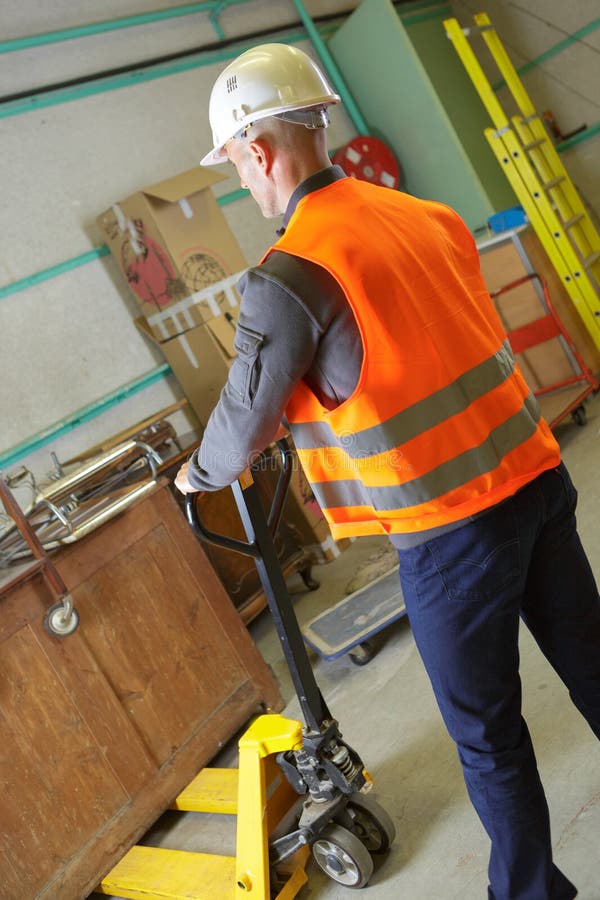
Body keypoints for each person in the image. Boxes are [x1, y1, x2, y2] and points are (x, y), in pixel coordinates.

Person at [175, 43, 600, 899]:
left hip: (449, 531)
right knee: (592, 663)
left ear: (259, 151)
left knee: (487, 735)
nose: (246, 187)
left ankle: (530, 894)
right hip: (534, 480)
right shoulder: (423, 216)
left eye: (237, 168)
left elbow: (242, 424)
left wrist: (195, 476)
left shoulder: (292, 272)